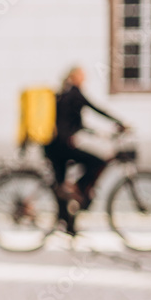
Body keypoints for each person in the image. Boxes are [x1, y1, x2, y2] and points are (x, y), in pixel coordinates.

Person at [44, 66, 125, 210]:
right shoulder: (74, 93)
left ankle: (68, 224)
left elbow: (75, 123)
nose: (85, 79)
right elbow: (96, 108)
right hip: (62, 145)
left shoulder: (64, 93)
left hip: (54, 145)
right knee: (96, 162)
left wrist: (98, 132)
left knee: (61, 186)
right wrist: (119, 122)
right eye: (82, 76)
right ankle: (79, 189)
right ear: (75, 77)